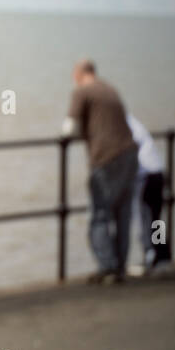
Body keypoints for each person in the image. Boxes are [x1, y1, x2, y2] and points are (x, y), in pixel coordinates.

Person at [62, 60, 138, 284]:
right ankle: (120, 267)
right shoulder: (109, 88)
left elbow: (70, 128)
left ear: (78, 74)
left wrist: (67, 139)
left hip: (106, 157)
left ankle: (107, 267)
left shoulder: (82, 91)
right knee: (123, 215)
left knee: (99, 214)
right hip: (130, 154)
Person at [126, 114, 171, 274]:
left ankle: (150, 256)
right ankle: (163, 257)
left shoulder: (124, 124)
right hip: (157, 170)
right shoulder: (133, 122)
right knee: (156, 219)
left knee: (144, 217)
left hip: (144, 175)